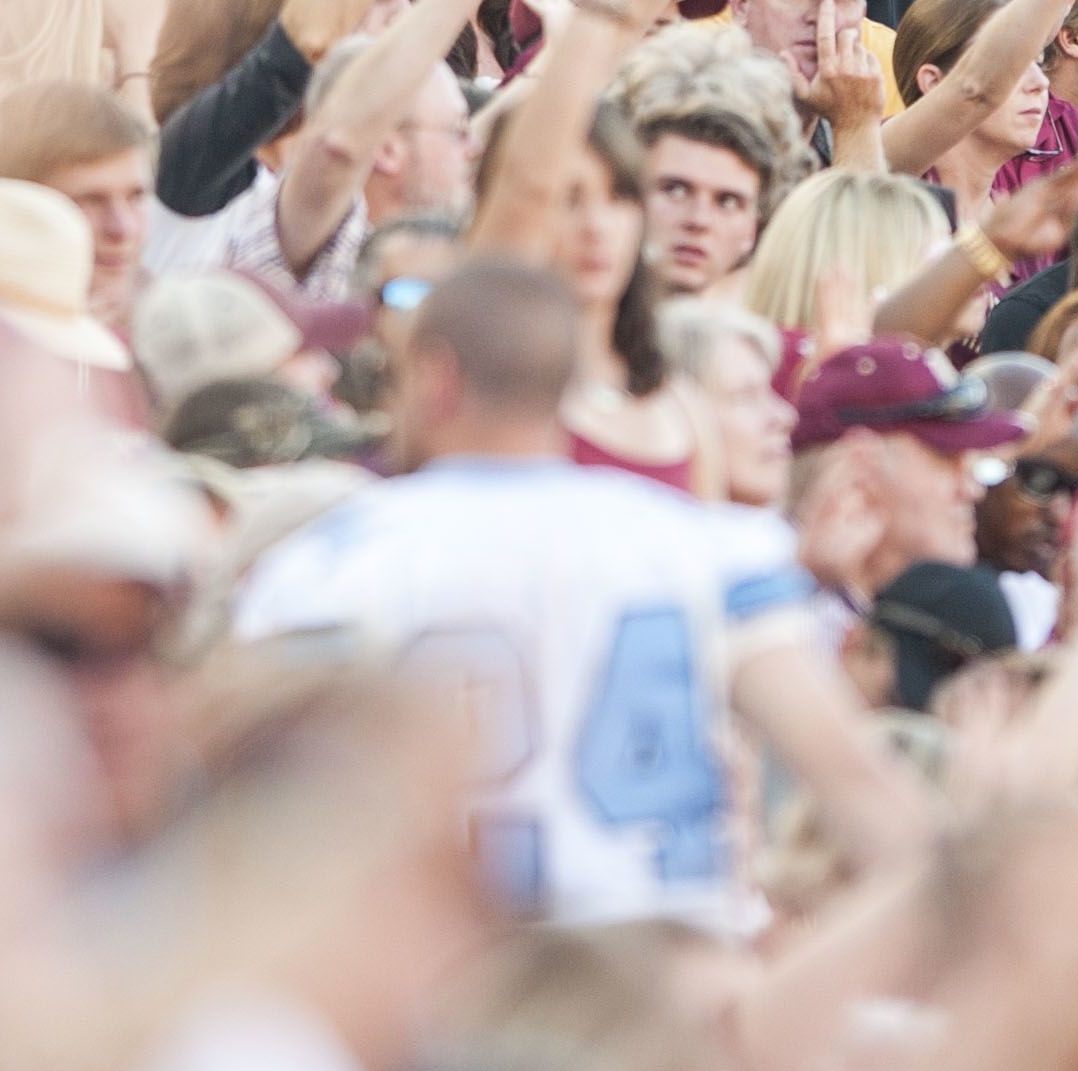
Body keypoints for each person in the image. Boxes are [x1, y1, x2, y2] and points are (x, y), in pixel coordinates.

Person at [227, 256, 921, 926]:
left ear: (436, 379)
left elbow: (257, 828)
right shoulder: (703, 545)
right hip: (662, 989)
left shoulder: (325, 561)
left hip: (444, 990)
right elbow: (858, 787)